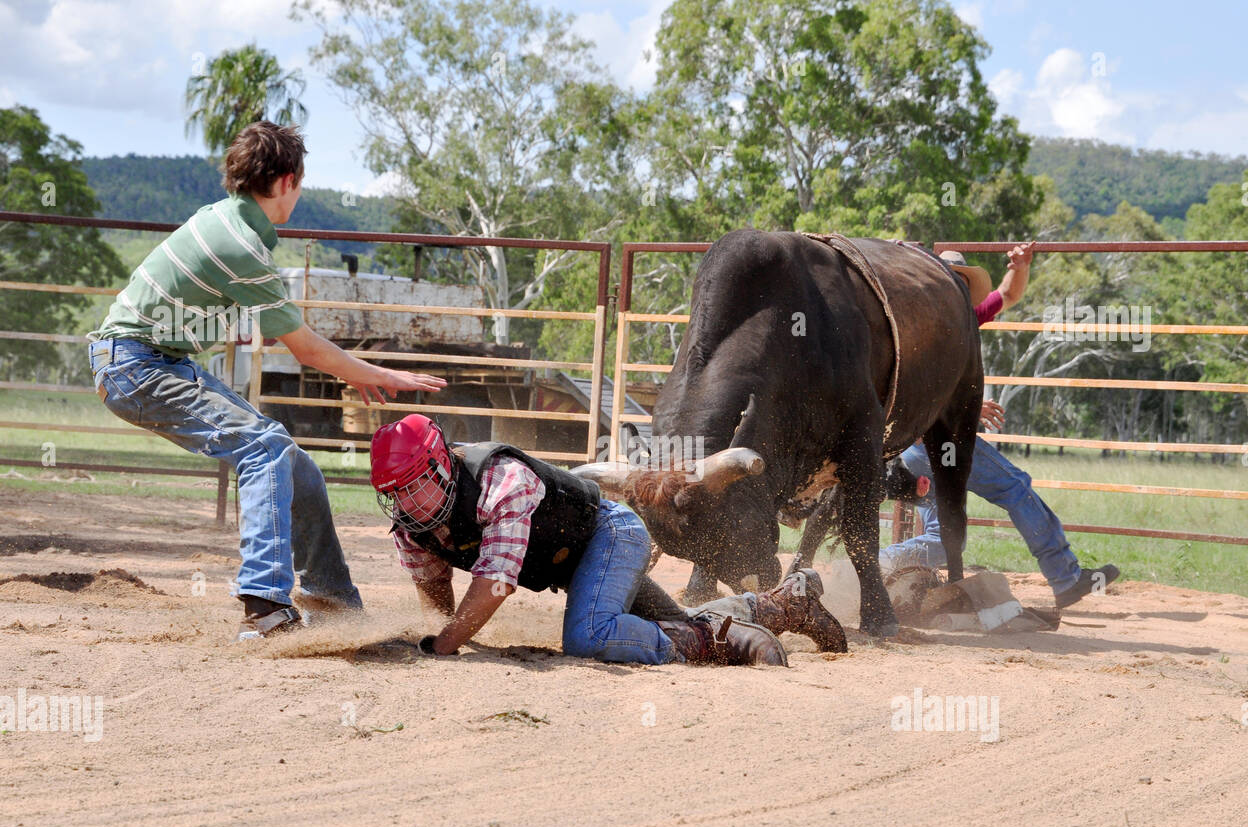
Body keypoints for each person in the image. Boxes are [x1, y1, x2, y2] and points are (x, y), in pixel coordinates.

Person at [86, 122, 446, 640]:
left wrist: (358, 371)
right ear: (285, 181)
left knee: (298, 469)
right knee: (265, 446)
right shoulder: (242, 247)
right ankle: (264, 605)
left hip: (154, 361)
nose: (298, 194)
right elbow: (305, 347)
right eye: (300, 184)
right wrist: (378, 372)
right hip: (136, 366)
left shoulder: (227, 224)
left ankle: (332, 601)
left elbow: (294, 341)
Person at [370, 415, 848, 665]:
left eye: (414, 485)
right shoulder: (412, 525)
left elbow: (497, 582)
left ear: (441, 464)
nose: (406, 503)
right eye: (394, 493)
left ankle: (711, 640)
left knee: (589, 636)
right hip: (581, 564)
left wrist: (444, 644)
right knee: (668, 621)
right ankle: (784, 605)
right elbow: (436, 595)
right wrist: (439, 633)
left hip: (610, 534)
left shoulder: (501, 480)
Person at [885, 241, 1120, 608]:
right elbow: (923, 383)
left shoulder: (933, 318)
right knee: (1014, 488)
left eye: (960, 281)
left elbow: (1008, 294)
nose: (958, 288)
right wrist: (965, 408)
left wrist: (1020, 265)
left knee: (943, 538)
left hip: (916, 448)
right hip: (939, 440)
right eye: (954, 280)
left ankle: (872, 564)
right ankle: (1066, 577)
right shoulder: (945, 323)